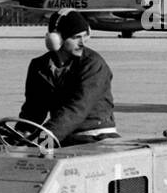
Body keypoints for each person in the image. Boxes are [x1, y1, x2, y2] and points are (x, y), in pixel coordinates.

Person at [18, 9, 119, 145]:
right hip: (63, 137)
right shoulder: (39, 66)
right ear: (57, 39)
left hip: (96, 136)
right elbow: (34, 109)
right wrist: (20, 134)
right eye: (76, 37)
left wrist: (45, 137)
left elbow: (77, 108)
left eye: (85, 36)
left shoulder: (93, 64)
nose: (82, 42)